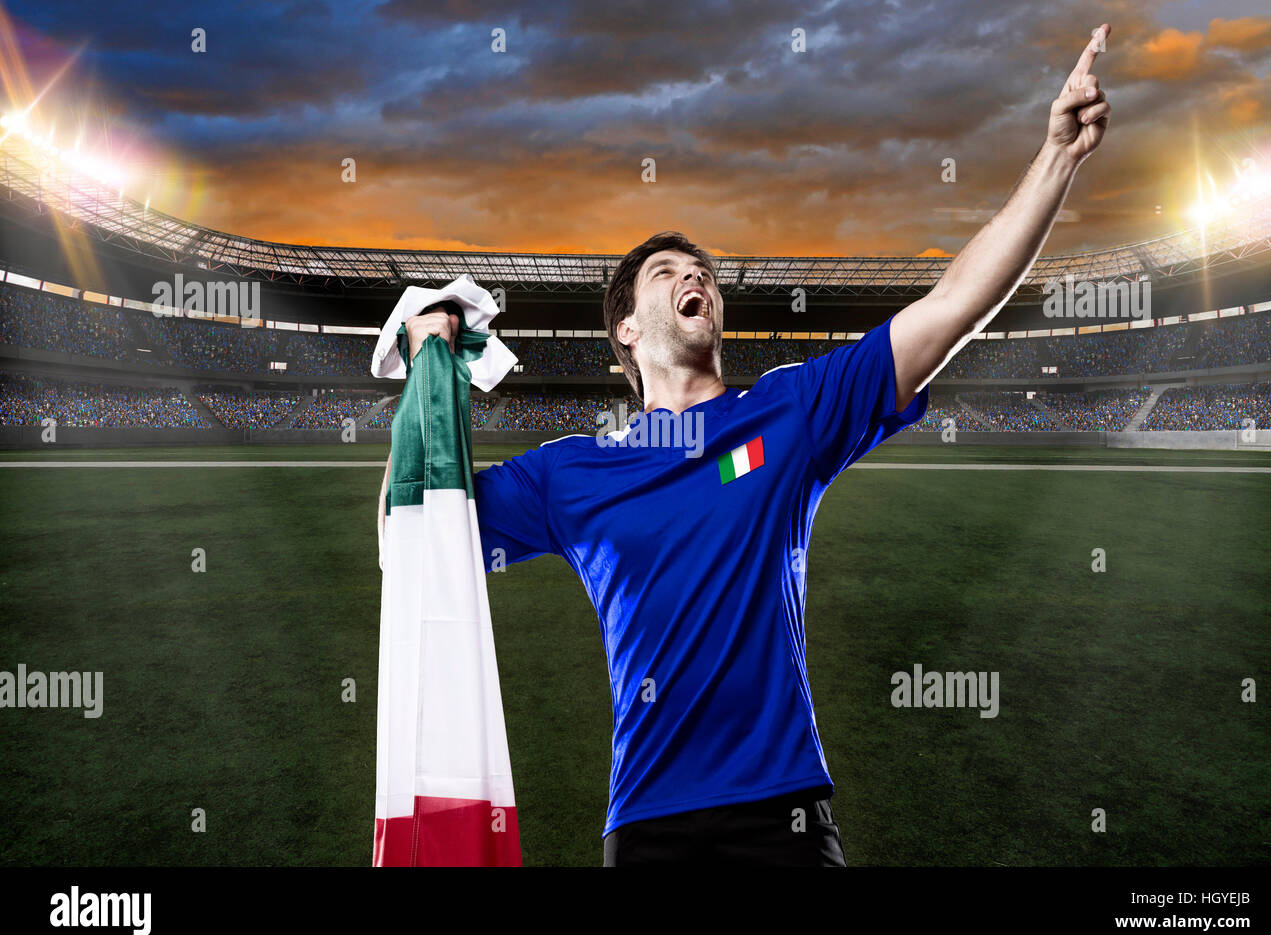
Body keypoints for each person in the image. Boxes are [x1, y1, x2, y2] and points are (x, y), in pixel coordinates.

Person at [379, 23, 1112, 865]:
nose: (695, 279)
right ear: (626, 327)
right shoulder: (571, 474)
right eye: (667, 274)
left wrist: (1058, 155)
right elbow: (410, 540)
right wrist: (427, 370)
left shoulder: (790, 413)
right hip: (649, 824)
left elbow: (948, 311)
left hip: (787, 818)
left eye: (704, 276)